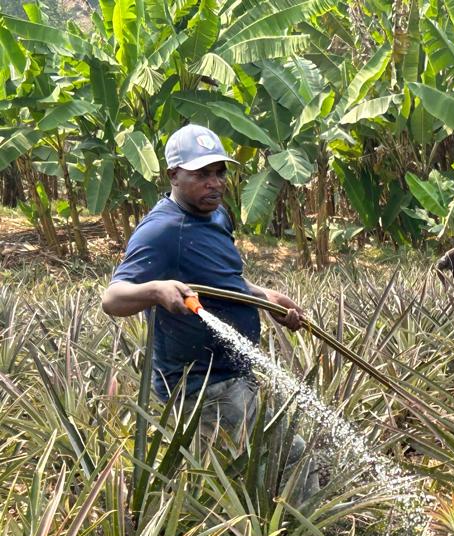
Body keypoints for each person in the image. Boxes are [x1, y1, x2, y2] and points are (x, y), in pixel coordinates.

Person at [101, 123, 318, 497]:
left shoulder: (216, 216)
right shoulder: (161, 231)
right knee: (288, 457)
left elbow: (225, 282)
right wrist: (155, 289)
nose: (214, 183)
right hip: (200, 385)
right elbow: (112, 297)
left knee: (256, 471)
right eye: (201, 174)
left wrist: (267, 298)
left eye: (219, 172)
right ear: (173, 175)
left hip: (231, 373)